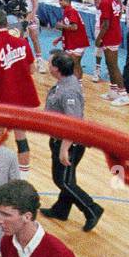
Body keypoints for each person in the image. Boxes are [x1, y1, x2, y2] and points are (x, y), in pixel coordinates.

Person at [42, 52, 102, 232]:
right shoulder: (65, 83)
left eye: (50, 62)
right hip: (60, 139)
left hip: (69, 143)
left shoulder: (69, 91)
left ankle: (92, 209)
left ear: (56, 69)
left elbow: (73, 123)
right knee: (66, 178)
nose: (48, 64)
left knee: (63, 181)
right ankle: (61, 209)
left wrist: (64, 148)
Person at [0, 9, 40, 175]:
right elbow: (32, 69)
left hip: (3, 99)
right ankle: (24, 176)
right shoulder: (21, 42)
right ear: (6, 24)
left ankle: (1, 174)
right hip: (22, 98)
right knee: (21, 138)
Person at [94, 0, 129, 106]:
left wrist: (98, 39)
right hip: (115, 33)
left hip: (110, 36)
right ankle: (113, 91)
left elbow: (105, 24)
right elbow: (118, 17)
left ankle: (124, 95)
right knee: (110, 64)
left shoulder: (105, 2)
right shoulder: (114, 0)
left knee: (113, 66)